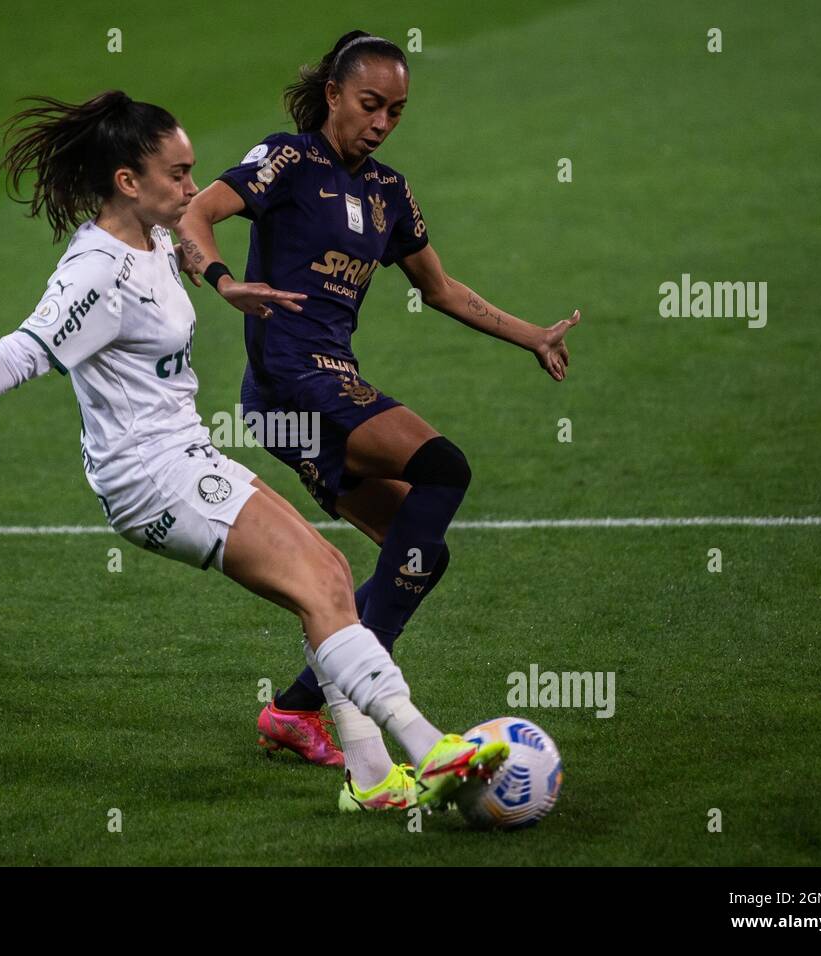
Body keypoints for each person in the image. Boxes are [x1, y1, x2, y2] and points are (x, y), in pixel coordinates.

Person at [0, 90, 507, 813]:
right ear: (128, 181)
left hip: (182, 455)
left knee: (326, 573)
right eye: (178, 174)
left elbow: (187, 247)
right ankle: (427, 749)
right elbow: (23, 351)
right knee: (318, 580)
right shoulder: (96, 272)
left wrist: (223, 280)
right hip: (150, 474)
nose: (194, 188)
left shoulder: (153, 239)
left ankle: (372, 777)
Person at [178, 32, 580, 805]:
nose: (382, 123)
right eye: (370, 105)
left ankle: (295, 708)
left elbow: (441, 288)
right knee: (444, 467)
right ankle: (359, 705)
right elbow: (198, 213)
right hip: (293, 384)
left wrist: (530, 334)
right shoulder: (288, 161)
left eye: (396, 111)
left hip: (325, 390)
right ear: (334, 93)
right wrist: (224, 281)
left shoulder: (390, 192)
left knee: (419, 550)